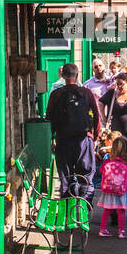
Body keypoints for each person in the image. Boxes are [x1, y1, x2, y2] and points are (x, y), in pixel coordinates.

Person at [45, 62, 101, 197]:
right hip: (84, 140)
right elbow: (96, 115)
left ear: (63, 76)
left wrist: (51, 139)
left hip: (63, 140)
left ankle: (68, 213)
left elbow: (49, 118)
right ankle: (84, 211)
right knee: (86, 178)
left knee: (66, 180)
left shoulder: (56, 94)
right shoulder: (86, 93)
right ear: (77, 75)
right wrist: (95, 137)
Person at [96, 135, 127, 238]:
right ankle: (121, 232)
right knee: (121, 211)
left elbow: (101, 171)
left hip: (108, 190)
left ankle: (103, 229)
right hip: (122, 191)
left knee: (107, 210)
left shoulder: (108, 161)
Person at [100, 73, 127, 137]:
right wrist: (104, 119)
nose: (118, 87)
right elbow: (100, 103)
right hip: (115, 133)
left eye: (121, 84)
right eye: (117, 84)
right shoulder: (112, 93)